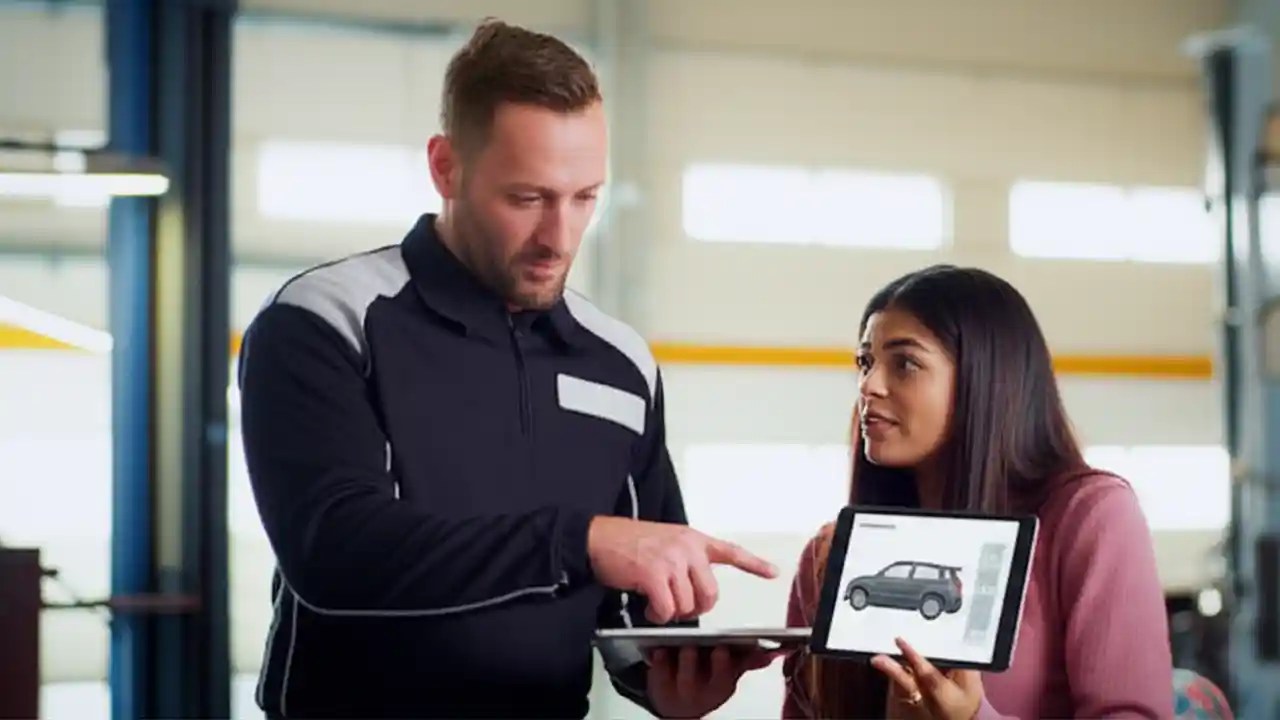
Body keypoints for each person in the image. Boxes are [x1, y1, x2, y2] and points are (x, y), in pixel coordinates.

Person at [237, 18, 779, 719]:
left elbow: (630, 606)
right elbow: (333, 552)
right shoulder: (326, 320)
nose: (560, 236)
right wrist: (579, 541)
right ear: (445, 167)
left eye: (585, 197)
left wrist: (665, 680)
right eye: (528, 198)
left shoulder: (620, 365)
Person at [781, 265, 1174, 719]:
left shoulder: (1091, 516)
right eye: (865, 362)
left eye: (905, 363)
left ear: (985, 378)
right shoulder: (827, 556)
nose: (868, 385)